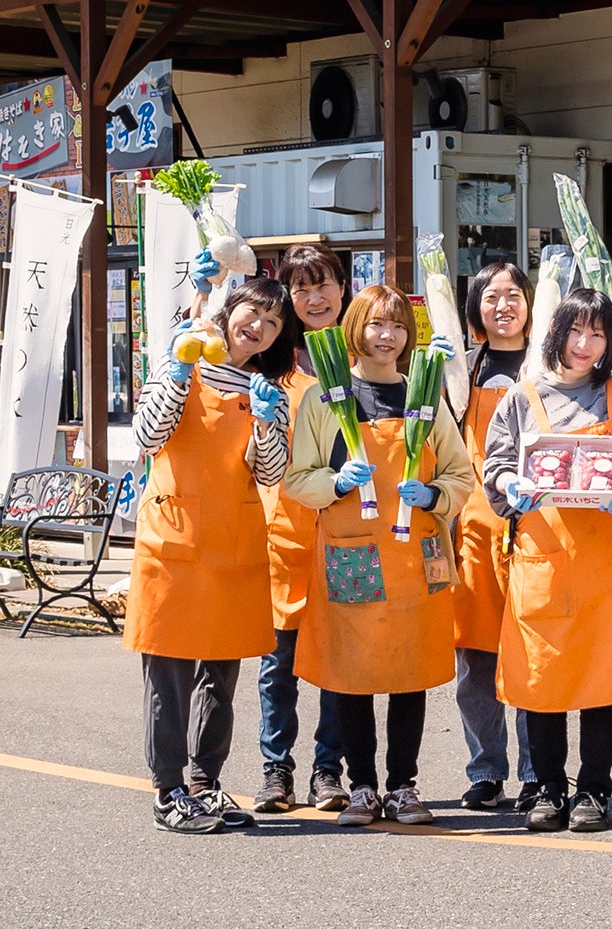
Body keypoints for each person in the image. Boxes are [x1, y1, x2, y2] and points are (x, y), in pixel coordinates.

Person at [285, 284, 472, 829]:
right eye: (375, 325)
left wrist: (434, 496)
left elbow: (460, 474)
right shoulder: (325, 400)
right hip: (352, 554)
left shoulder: (425, 396)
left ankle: (404, 784)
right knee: (353, 672)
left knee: (409, 672)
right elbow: (298, 478)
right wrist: (335, 482)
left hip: (414, 553)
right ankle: (361, 784)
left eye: (396, 326)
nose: (386, 336)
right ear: (355, 331)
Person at [484, 289, 612, 832]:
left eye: (599, 334)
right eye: (576, 331)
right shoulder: (521, 398)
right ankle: (548, 787)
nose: (585, 345)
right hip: (542, 559)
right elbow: (494, 465)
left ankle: (594, 790)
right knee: (543, 680)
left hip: (603, 562)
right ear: (557, 331)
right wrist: (512, 483)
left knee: (600, 678)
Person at [126, 277, 295, 833]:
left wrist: (269, 422)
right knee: (169, 671)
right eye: (253, 312)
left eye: (272, 323)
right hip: (173, 541)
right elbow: (148, 436)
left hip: (234, 543)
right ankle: (167, 789)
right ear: (230, 308)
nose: (259, 328)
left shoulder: (264, 388)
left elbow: (271, 472)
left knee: (220, 674)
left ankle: (205, 783)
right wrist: (175, 376)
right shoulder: (181, 358)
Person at [251, 243, 349, 815]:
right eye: (301, 288)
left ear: (343, 286)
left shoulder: (362, 358)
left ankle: (328, 771)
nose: (315, 298)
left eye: (324, 284)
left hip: (347, 535)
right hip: (284, 531)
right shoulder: (271, 362)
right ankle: (276, 770)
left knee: (339, 656)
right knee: (279, 663)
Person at [451, 261, 538, 812]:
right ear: (475, 309)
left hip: (533, 521)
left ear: (532, 303)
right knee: (475, 658)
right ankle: (486, 769)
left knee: (531, 652)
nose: (502, 306)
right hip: (475, 526)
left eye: (512, 295)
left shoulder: (550, 365)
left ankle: (536, 771)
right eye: (490, 297)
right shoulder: (458, 369)